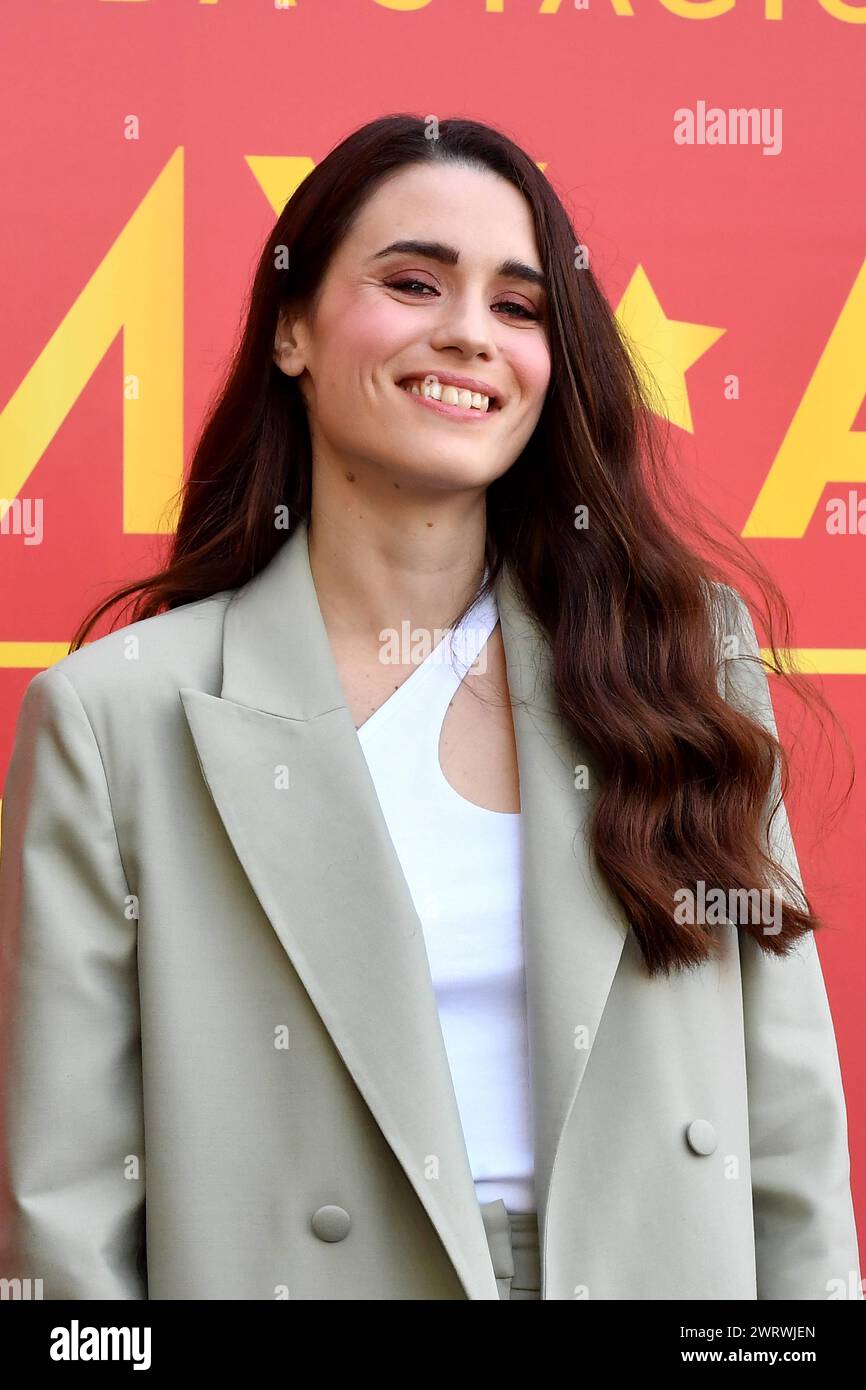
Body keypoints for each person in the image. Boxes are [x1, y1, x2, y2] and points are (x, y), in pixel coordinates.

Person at [0, 114, 860, 1301]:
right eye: (412, 282)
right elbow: (71, 1213)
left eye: (518, 308)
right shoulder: (117, 718)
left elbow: (790, 1142)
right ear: (292, 329)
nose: (467, 332)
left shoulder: (674, 660)